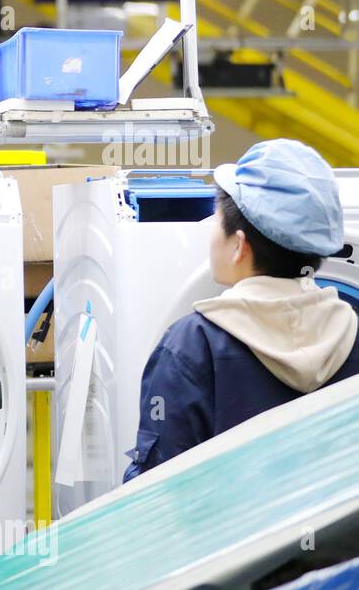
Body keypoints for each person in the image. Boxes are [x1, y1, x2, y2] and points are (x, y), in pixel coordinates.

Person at [124, 140, 359, 482]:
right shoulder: (352, 334)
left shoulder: (192, 346)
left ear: (239, 245)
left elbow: (156, 490)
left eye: (216, 220)